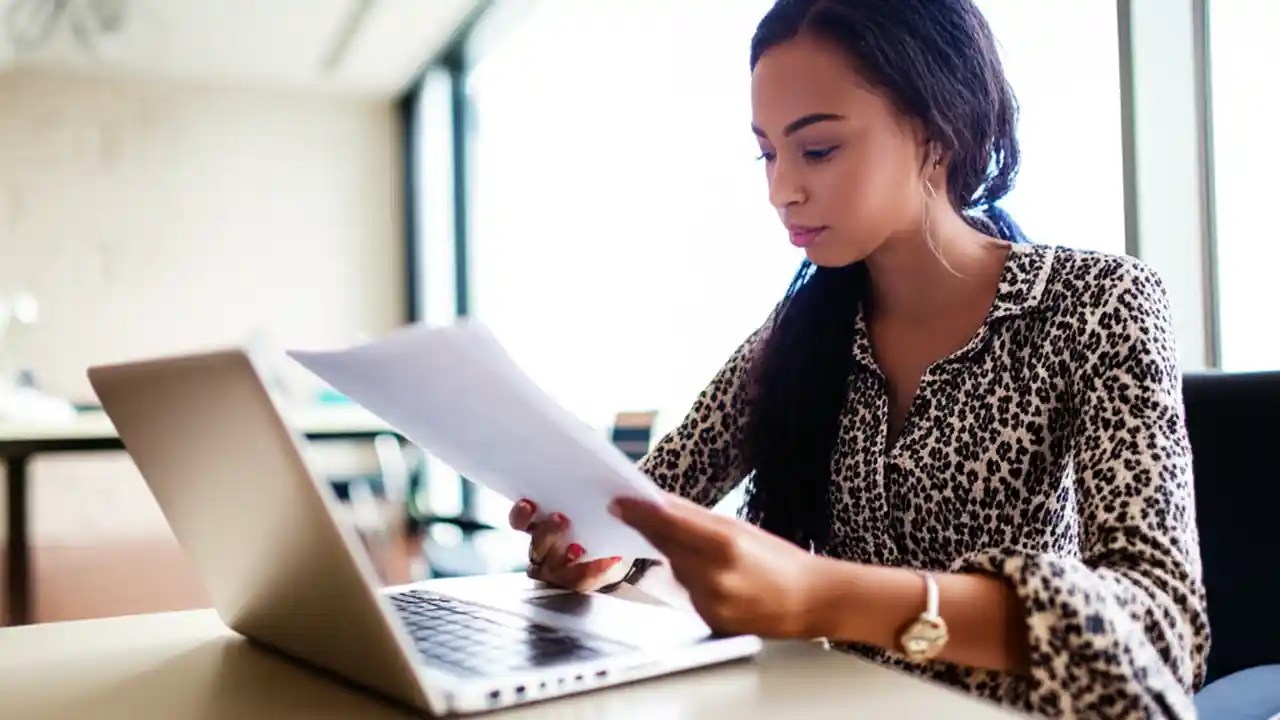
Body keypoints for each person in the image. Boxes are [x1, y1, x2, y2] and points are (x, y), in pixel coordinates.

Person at [508, 1, 1208, 717]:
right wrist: (589, 550)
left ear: (936, 131)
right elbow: (648, 505)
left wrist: (824, 596)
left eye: (817, 150)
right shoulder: (806, 330)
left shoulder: (1098, 303)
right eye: (767, 153)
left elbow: (1163, 628)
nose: (781, 191)